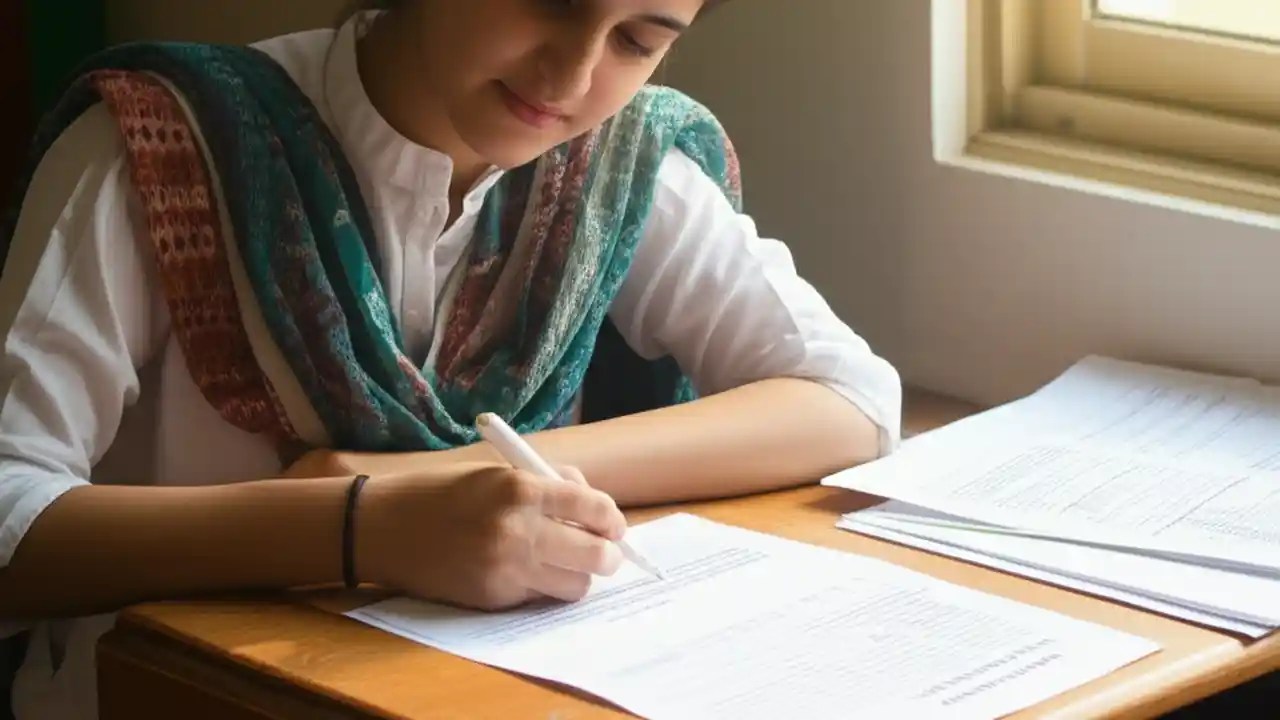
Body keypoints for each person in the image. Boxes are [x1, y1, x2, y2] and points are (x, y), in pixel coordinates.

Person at [0, 0, 901, 717]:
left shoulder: (610, 167)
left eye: (635, 39)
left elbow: (849, 400)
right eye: (549, 2)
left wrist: (458, 479)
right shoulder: (160, 152)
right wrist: (364, 527)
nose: (575, 74)